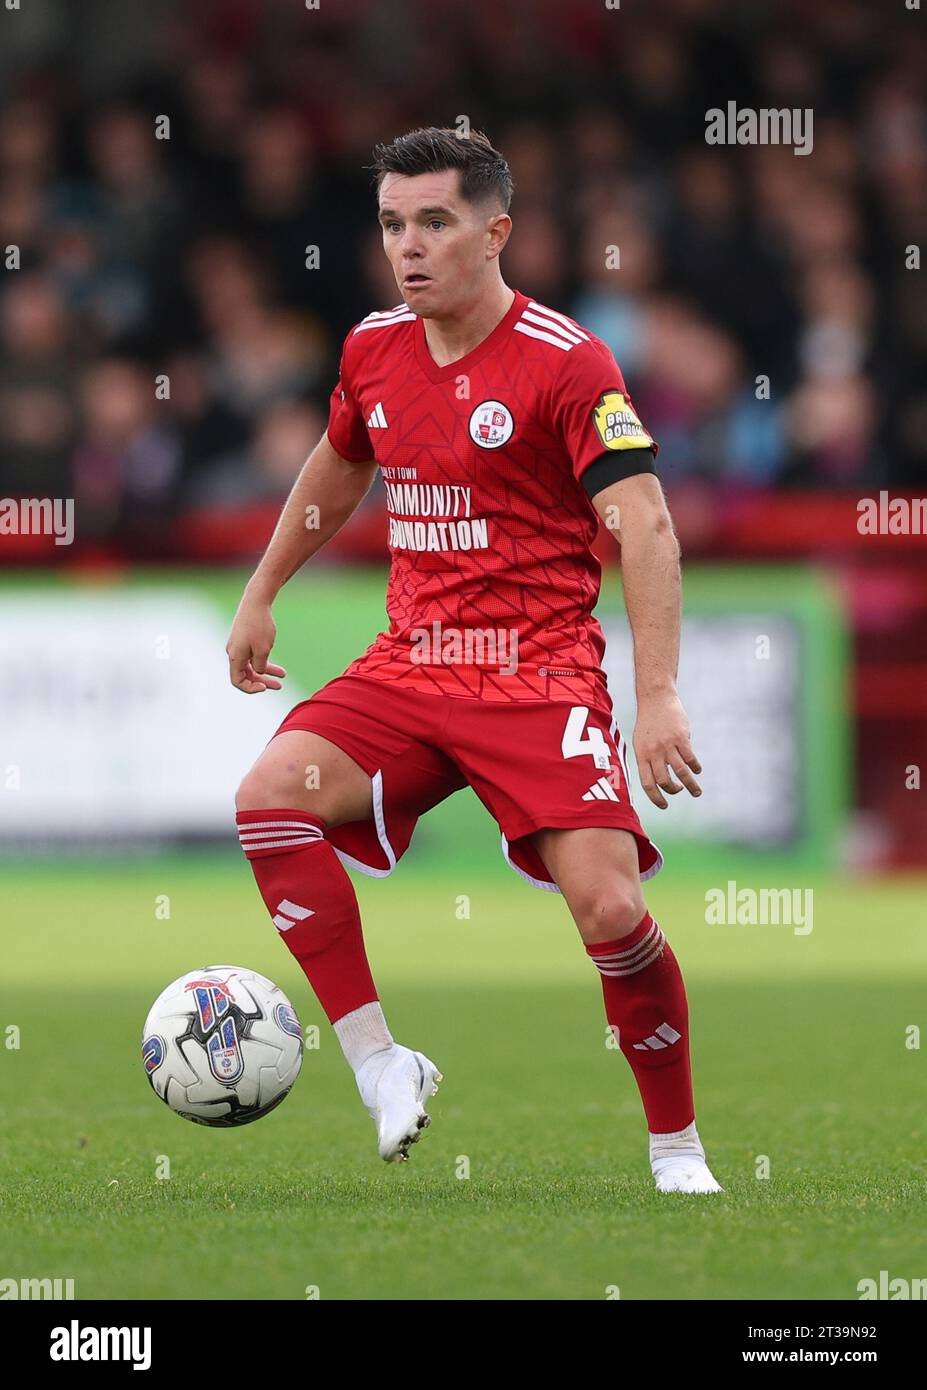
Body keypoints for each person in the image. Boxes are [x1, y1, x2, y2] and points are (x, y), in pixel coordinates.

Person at [227, 127, 721, 1193]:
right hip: (414, 662)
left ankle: (677, 1149)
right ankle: (378, 1063)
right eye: (394, 224)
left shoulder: (567, 361)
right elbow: (339, 462)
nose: (409, 247)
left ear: (496, 232)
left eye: (435, 223)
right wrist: (264, 589)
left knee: (613, 912)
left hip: (538, 673)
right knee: (269, 800)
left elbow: (645, 524)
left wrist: (661, 692)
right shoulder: (372, 347)